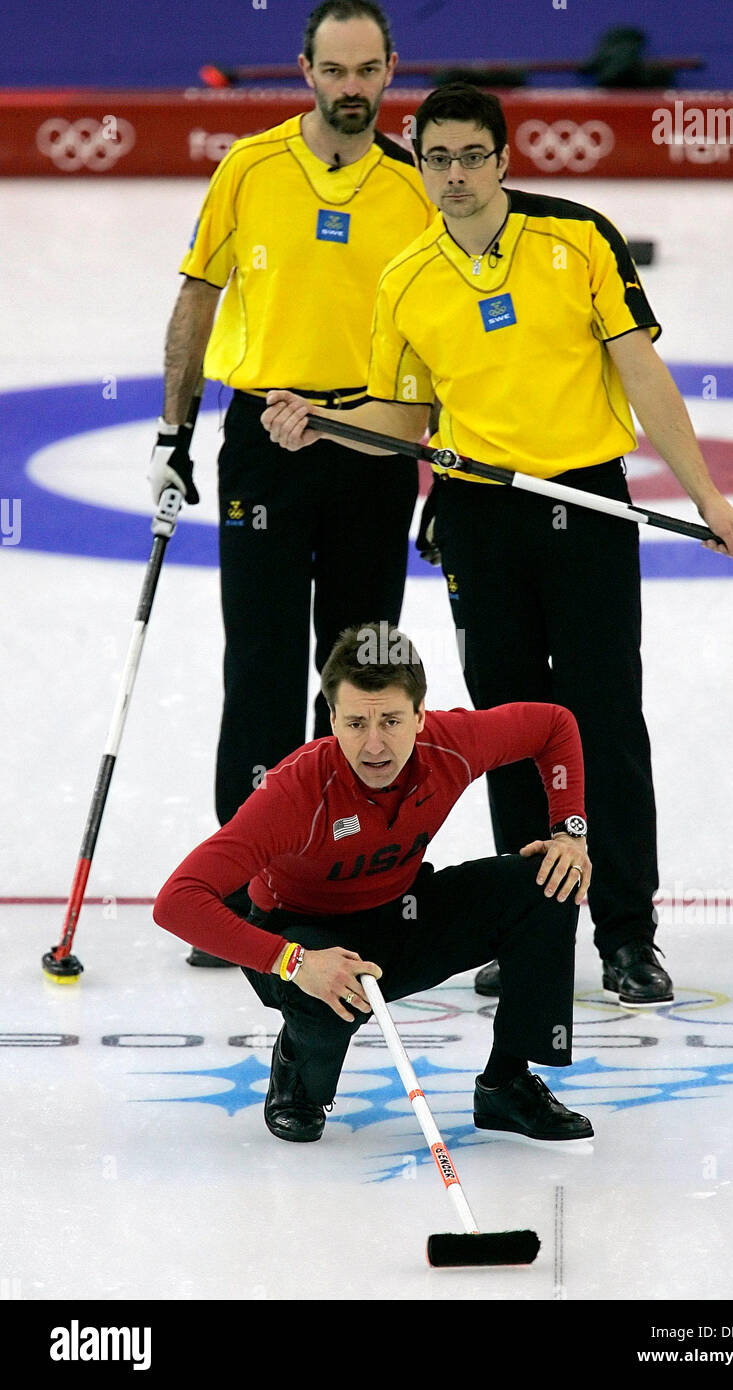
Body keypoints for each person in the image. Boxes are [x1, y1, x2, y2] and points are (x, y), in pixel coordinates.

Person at [260, 82, 733, 1008]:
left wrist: (708, 496)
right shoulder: (406, 276)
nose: (453, 177)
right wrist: (323, 423)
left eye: (470, 158)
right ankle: (533, 927)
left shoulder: (577, 238)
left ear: (503, 159)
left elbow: (641, 372)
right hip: (479, 517)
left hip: (587, 507)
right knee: (510, 731)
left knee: (604, 719)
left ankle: (625, 935)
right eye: (436, 159)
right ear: (419, 162)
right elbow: (403, 413)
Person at [148, 1, 432, 965]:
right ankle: (243, 879)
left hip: (373, 441)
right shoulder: (250, 167)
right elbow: (198, 293)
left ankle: (351, 872)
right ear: (303, 68)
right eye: (334, 71)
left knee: (359, 664)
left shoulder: (416, 183)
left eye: (367, 72)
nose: (351, 90)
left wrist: (443, 460)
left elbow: (446, 332)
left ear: (392, 69)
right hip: (263, 436)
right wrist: (172, 431)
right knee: (260, 660)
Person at [153, 621, 594, 1144]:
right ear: (332, 719)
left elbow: (554, 725)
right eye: (357, 723)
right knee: (322, 993)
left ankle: (507, 1086)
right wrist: (294, 963)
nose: (375, 744)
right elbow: (176, 901)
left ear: (420, 715)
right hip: (301, 935)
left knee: (547, 882)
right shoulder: (294, 793)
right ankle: (298, 1070)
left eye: (390, 720)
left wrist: (570, 832)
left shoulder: (451, 744)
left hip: (399, 913)